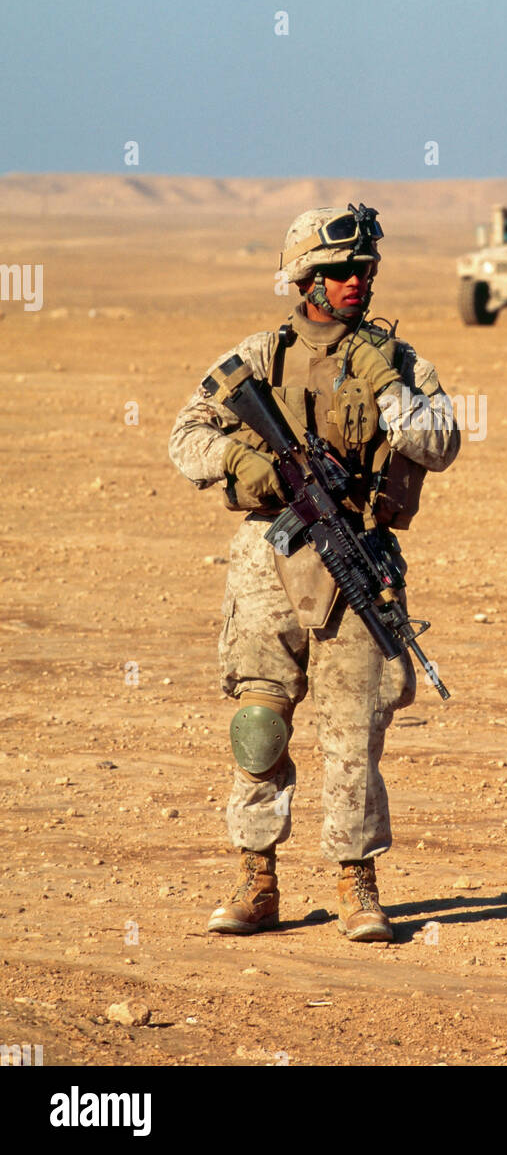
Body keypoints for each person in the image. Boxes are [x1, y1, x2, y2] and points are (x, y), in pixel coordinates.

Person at [168, 204, 460, 940]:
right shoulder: (259, 357)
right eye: (339, 272)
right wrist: (236, 459)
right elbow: (185, 436)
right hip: (268, 560)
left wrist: (386, 385)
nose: (357, 281)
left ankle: (357, 884)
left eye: (365, 270)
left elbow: (440, 442)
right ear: (304, 280)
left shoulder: (398, 363)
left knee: (353, 734)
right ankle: (256, 879)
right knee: (259, 724)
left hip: (357, 553)